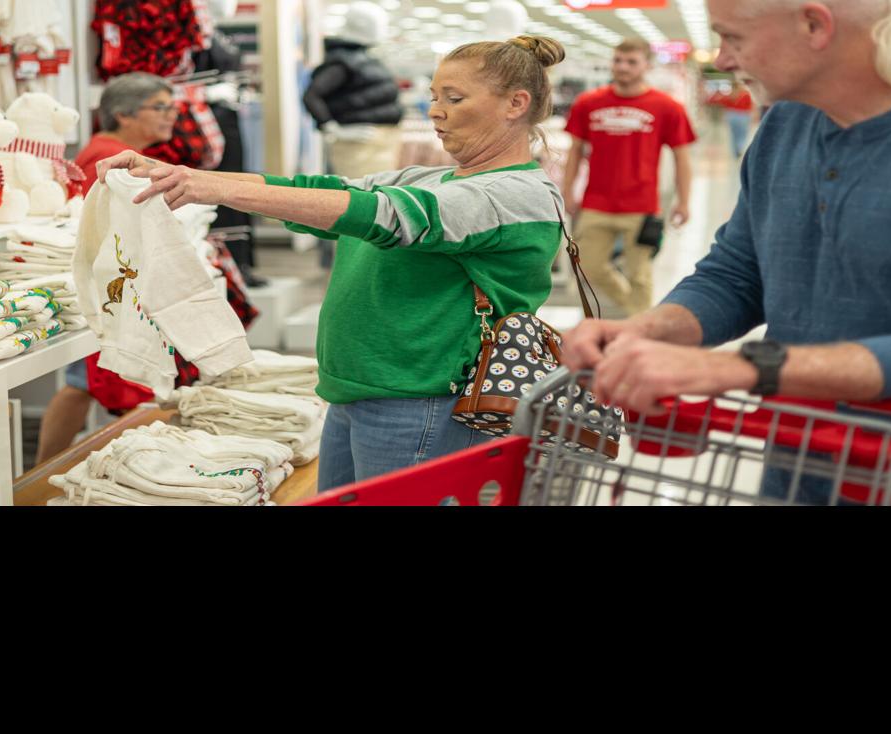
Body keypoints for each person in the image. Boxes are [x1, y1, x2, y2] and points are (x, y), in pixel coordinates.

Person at [95, 36, 572, 488]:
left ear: (516, 104)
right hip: (362, 394)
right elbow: (323, 194)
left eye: (455, 98)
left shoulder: (517, 195)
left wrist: (211, 188)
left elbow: (388, 216)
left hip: (422, 402)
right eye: (433, 96)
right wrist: (188, 176)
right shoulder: (430, 175)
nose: (435, 111)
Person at [563, 0, 891, 492]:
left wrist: (736, 369)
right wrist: (648, 330)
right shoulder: (787, 123)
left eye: (734, 38)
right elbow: (740, 273)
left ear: (814, 25)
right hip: (799, 466)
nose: (722, 59)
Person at [35, 73, 178, 464]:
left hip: (115, 279)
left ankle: (49, 469)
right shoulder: (110, 156)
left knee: (85, 383)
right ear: (123, 114)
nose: (173, 115)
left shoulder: (112, 151)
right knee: (93, 380)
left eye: (171, 106)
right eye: (160, 106)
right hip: (111, 283)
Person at [561, 38, 696, 317]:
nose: (622, 67)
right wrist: (567, 191)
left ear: (646, 65)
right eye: (618, 60)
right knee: (589, 265)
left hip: (642, 204)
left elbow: (682, 157)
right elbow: (575, 151)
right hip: (596, 202)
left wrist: (683, 201)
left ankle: (640, 326)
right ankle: (636, 310)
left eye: (631, 62)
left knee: (640, 275)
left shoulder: (667, 107)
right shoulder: (588, 102)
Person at [304, 1, 406, 179]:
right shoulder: (343, 62)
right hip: (358, 146)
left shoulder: (361, 58)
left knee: (379, 195)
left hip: (379, 144)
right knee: (363, 197)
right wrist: (333, 129)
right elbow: (312, 95)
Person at [708, 77, 756, 158]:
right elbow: (750, 105)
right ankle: (740, 148)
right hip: (743, 115)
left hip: (731, 115)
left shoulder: (730, 95)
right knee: (742, 134)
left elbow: (721, 102)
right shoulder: (746, 94)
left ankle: (735, 151)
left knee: (733, 134)